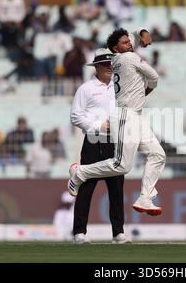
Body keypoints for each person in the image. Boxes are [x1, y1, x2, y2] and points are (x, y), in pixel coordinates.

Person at [68, 28, 166, 217]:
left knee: (158, 154)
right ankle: (79, 173)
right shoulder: (128, 58)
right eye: (125, 43)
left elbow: (130, 37)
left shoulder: (121, 57)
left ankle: (145, 197)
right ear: (116, 48)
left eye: (129, 42)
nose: (129, 43)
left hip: (136, 116)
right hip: (125, 116)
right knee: (122, 166)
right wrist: (149, 89)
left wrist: (141, 33)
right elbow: (154, 76)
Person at [70, 48, 130, 244]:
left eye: (111, 65)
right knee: (86, 187)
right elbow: (75, 116)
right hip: (94, 142)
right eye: (105, 65)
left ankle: (118, 233)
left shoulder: (119, 87)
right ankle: (79, 233)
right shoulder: (86, 89)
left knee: (116, 189)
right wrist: (97, 126)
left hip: (115, 142)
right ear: (96, 67)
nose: (109, 68)